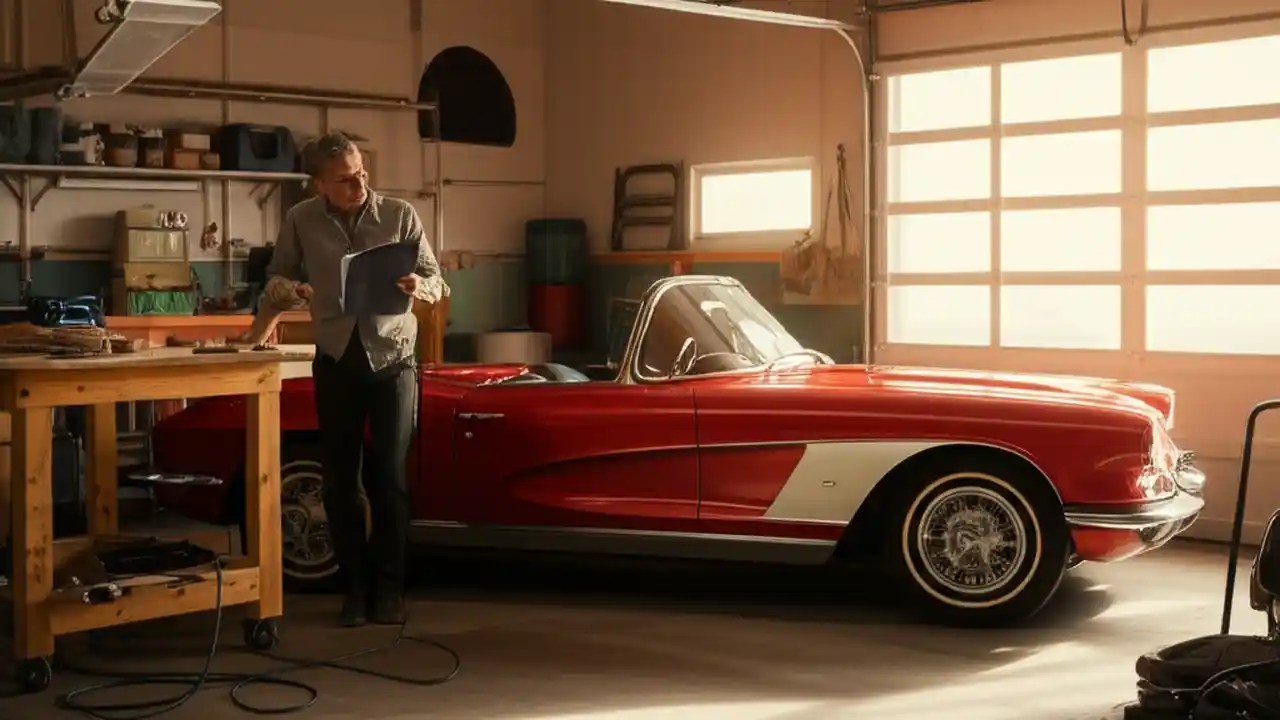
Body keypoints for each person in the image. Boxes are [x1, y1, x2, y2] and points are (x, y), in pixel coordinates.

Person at [263, 132, 448, 627]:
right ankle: (354, 590)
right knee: (340, 481)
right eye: (345, 180)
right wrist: (294, 290)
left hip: (393, 359)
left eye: (362, 172)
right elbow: (275, 278)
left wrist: (419, 284)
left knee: (388, 478)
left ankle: (389, 591)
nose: (359, 184)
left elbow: (437, 278)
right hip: (336, 358)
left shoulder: (400, 215)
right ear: (320, 184)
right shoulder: (300, 219)